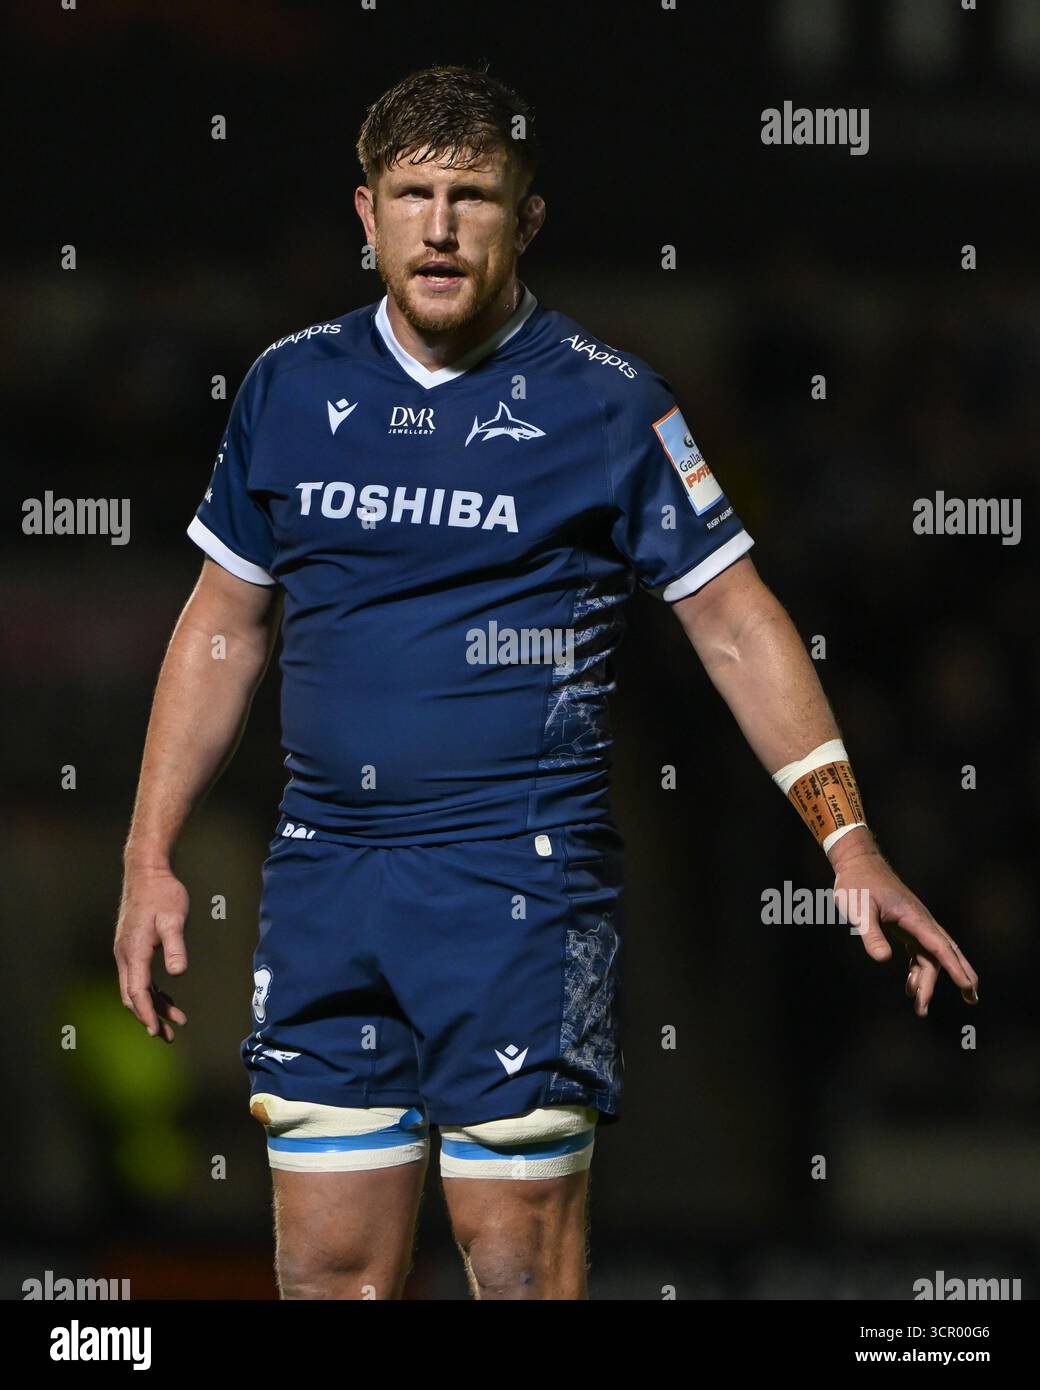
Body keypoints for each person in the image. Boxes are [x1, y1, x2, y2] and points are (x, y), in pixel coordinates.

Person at [114, 64, 979, 1300]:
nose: (440, 225)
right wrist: (151, 853)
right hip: (326, 881)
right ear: (365, 215)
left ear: (526, 218)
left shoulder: (608, 404)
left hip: (515, 887)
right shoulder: (286, 389)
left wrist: (847, 843)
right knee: (327, 1277)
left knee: (516, 1271)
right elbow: (220, 628)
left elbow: (735, 621)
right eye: (412, 194)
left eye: (474, 195)